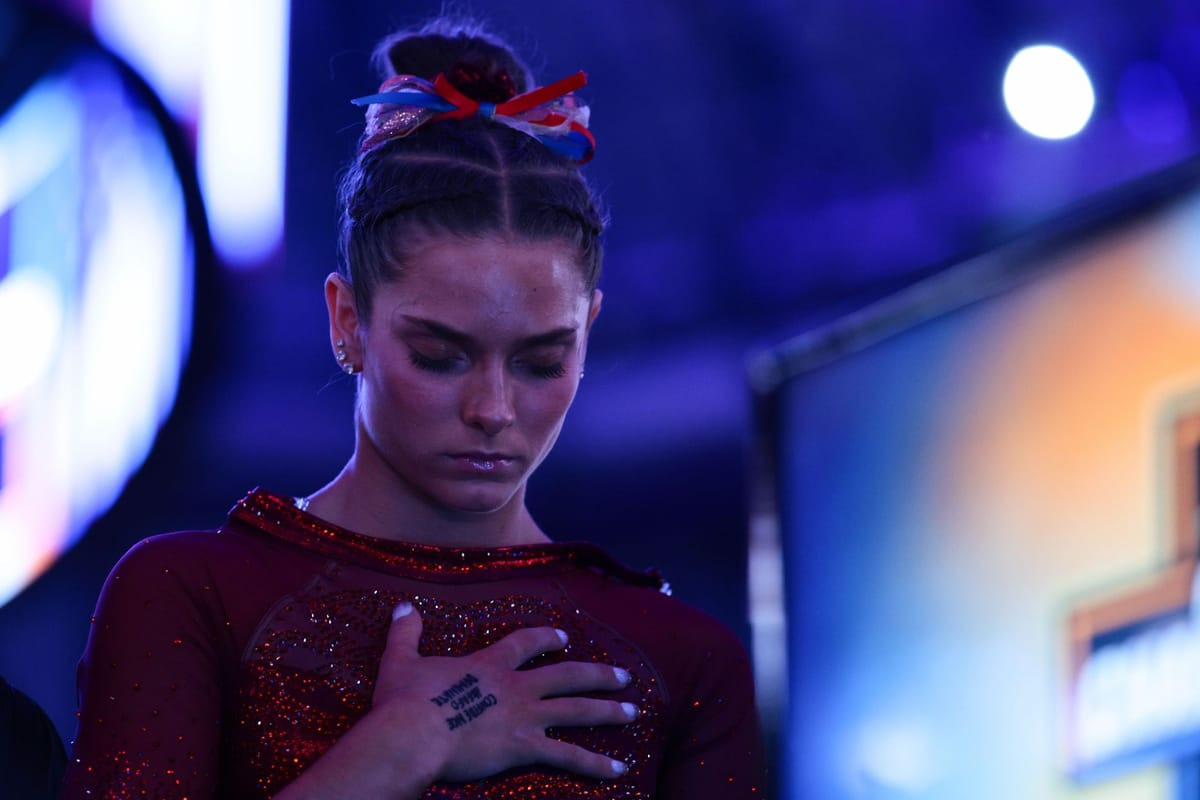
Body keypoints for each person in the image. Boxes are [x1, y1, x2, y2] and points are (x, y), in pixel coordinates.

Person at [60, 16, 765, 800]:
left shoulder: (682, 659)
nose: (493, 409)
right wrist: (400, 746)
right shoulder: (191, 595)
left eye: (541, 360)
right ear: (346, 322)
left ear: (588, 332)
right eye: (440, 355)